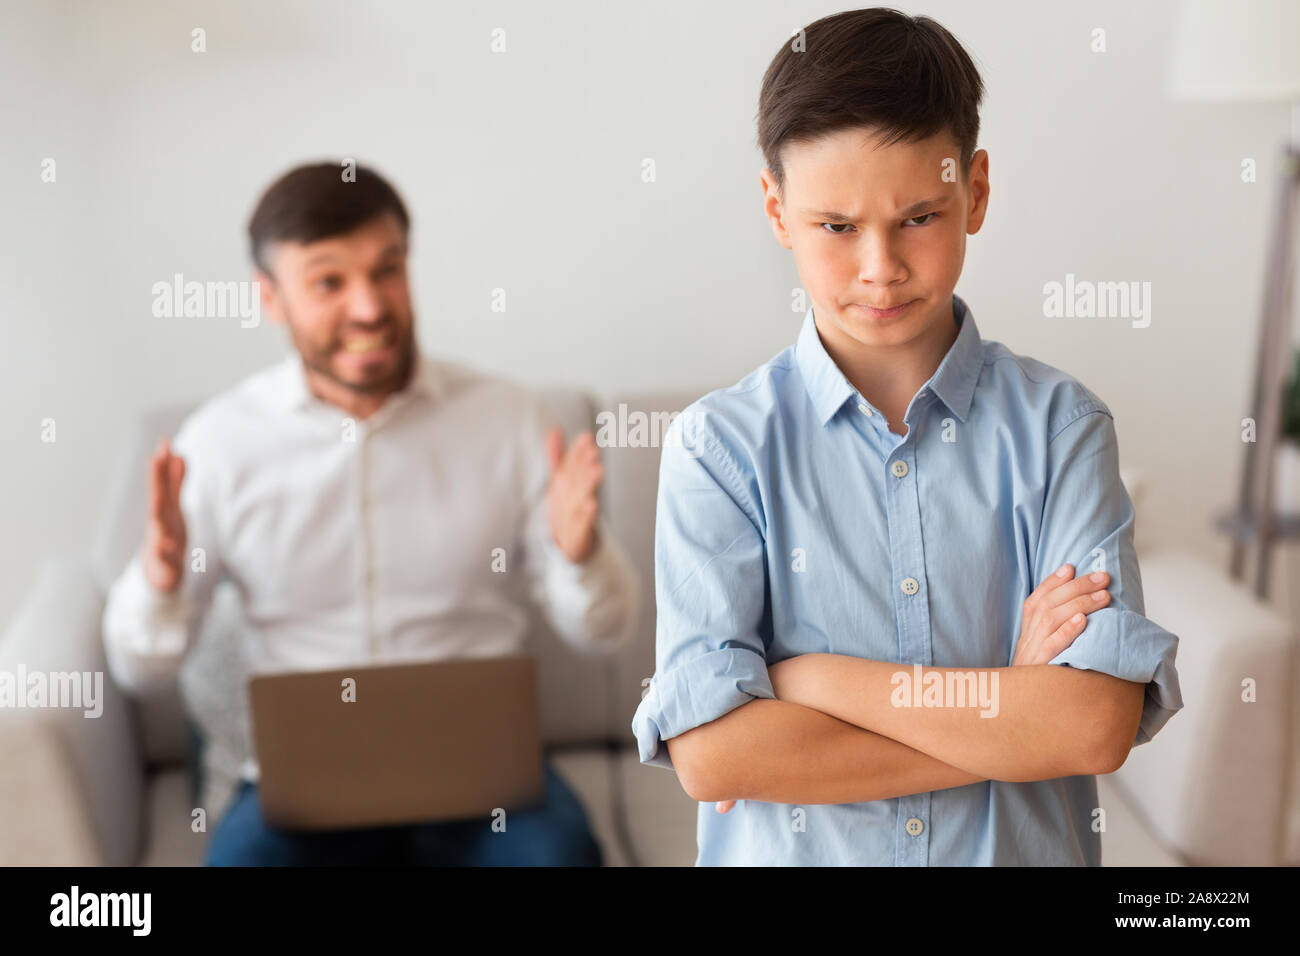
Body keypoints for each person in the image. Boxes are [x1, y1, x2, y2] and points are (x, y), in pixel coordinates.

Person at [631, 8, 1183, 866]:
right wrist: (1010, 708)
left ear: (977, 191)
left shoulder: (1064, 428)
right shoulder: (718, 449)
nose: (880, 266)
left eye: (919, 217)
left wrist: (808, 683)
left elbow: (1089, 726)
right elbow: (714, 755)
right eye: (837, 227)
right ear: (777, 211)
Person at [102, 162, 639, 866]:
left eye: (387, 270)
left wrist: (580, 556)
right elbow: (140, 669)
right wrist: (162, 576)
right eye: (329, 282)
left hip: (484, 785)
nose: (369, 306)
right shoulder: (222, 443)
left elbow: (609, 632)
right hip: (299, 797)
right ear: (271, 298)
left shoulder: (508, 420)